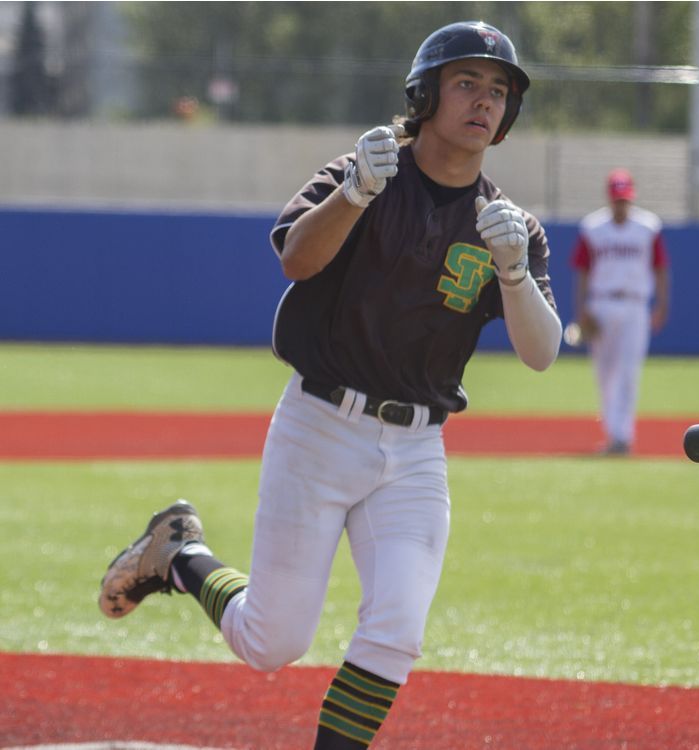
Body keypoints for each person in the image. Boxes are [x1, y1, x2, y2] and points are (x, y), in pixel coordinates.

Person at [98, 20, 562, 750]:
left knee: (398, 629)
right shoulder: (366, 170)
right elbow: (297, 260)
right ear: (425, 93)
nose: (484, 102)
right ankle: (178, 555)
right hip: (321, 424)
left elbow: (542, 353)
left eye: (499, 90)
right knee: (271, 642)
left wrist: (511, 270)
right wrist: (353, 193)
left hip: (415, 450)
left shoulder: (509, 226)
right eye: (466, 82)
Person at [570, 168, 669, 455]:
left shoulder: (648, 227)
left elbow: (661, 268)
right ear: (609, 198)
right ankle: (613, 433)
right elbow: (582, 271)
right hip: (601, 303)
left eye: (625, 199)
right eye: (617, 199)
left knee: (628, 372)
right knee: (605, 372)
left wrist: (661, 305)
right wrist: (582, 311)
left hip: (635, 305)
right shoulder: (593, 228)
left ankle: (622, 437)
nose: (621, 204)